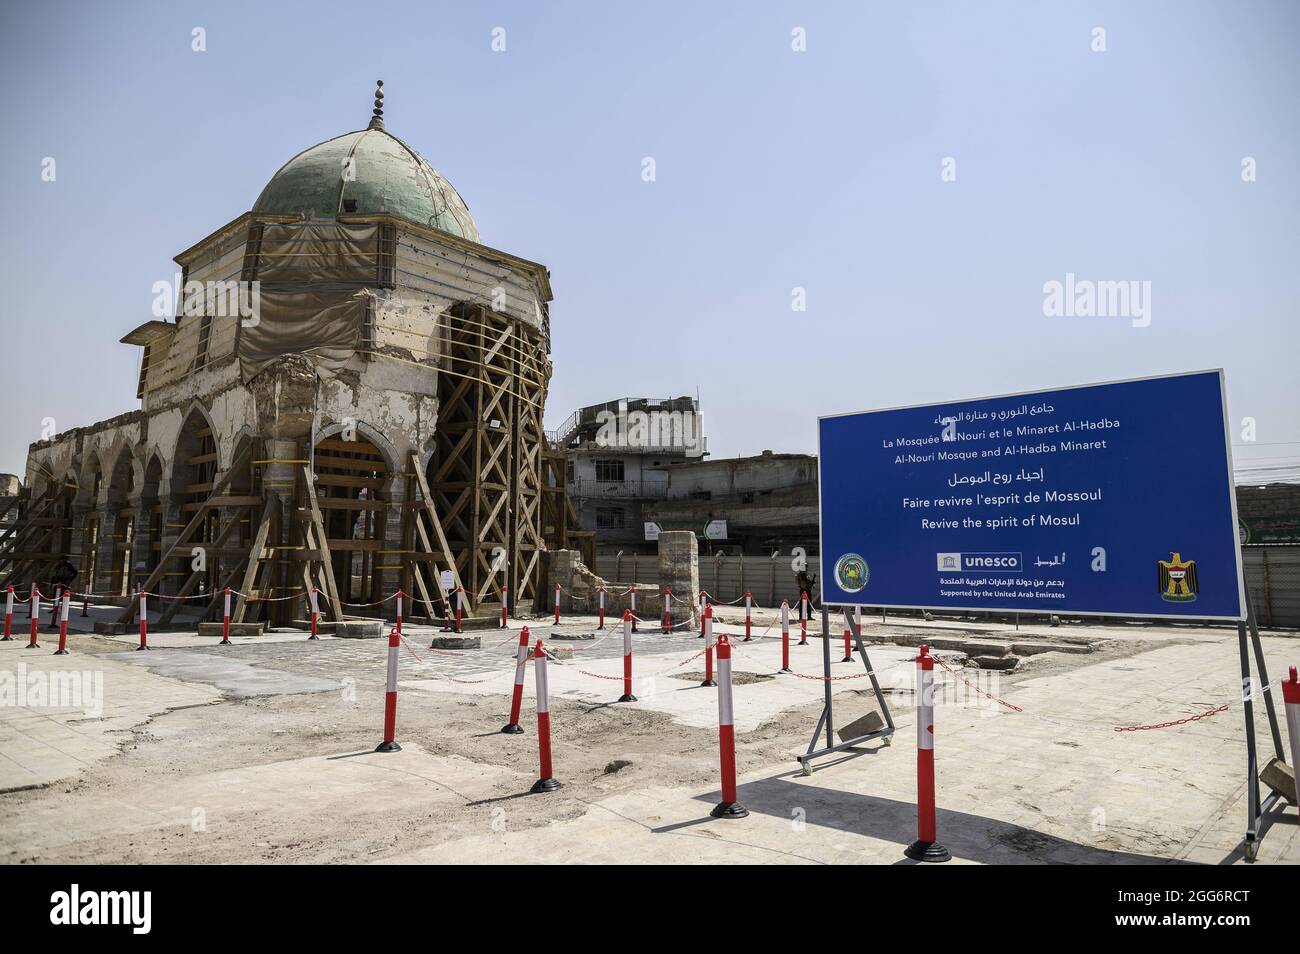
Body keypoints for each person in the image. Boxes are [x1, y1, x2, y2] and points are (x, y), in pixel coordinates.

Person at [48, 558, 79, 629]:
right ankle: (54, 608)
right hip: (58, 582)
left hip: (65, 583)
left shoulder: (69, 566)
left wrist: (70, 579)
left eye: (61, 560)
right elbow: (55, 573)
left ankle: (63, 609)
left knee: (64, 597)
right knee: (56, 596)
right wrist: (53, 581)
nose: (60, 561)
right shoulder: (58, 566)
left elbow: (75, 572)